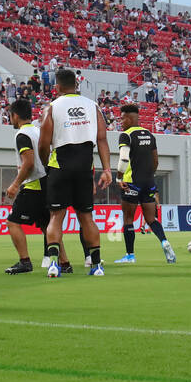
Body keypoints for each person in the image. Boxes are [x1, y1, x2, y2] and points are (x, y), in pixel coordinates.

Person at [37, 68, 112, 277]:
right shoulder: (93, 106)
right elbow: (102, 139)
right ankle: (96, 265)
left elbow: (43, 144)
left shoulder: (51, 108)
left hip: (59, 166)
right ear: (76, 86)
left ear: (57, 87)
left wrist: (46, 164)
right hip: (85, 166)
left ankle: (53, 263)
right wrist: (107, 169)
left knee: (56, 217)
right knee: (87, 218)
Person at [3, 99, 72, 274]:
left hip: (34, 185)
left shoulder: (22, 135)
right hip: (48, 181)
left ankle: (24, 262)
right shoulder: (38, 131)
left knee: (12, 222)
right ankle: (64, 263)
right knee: (48, 225)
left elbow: (28, 163)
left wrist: (15, 184)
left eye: (10, 116)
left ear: (15, 116)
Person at [112, 104, 175, 264]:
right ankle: (164, 242)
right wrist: (149, 176)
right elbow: (156, 160)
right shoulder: (149, 135)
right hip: (149, 182)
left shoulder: (126, 135)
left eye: (122, 118)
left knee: (128, 219)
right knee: (151, 219)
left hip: (131, 183)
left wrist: (119, 178)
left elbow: (124, 159)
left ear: (129, 118)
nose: (121, 122)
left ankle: (130, 255)